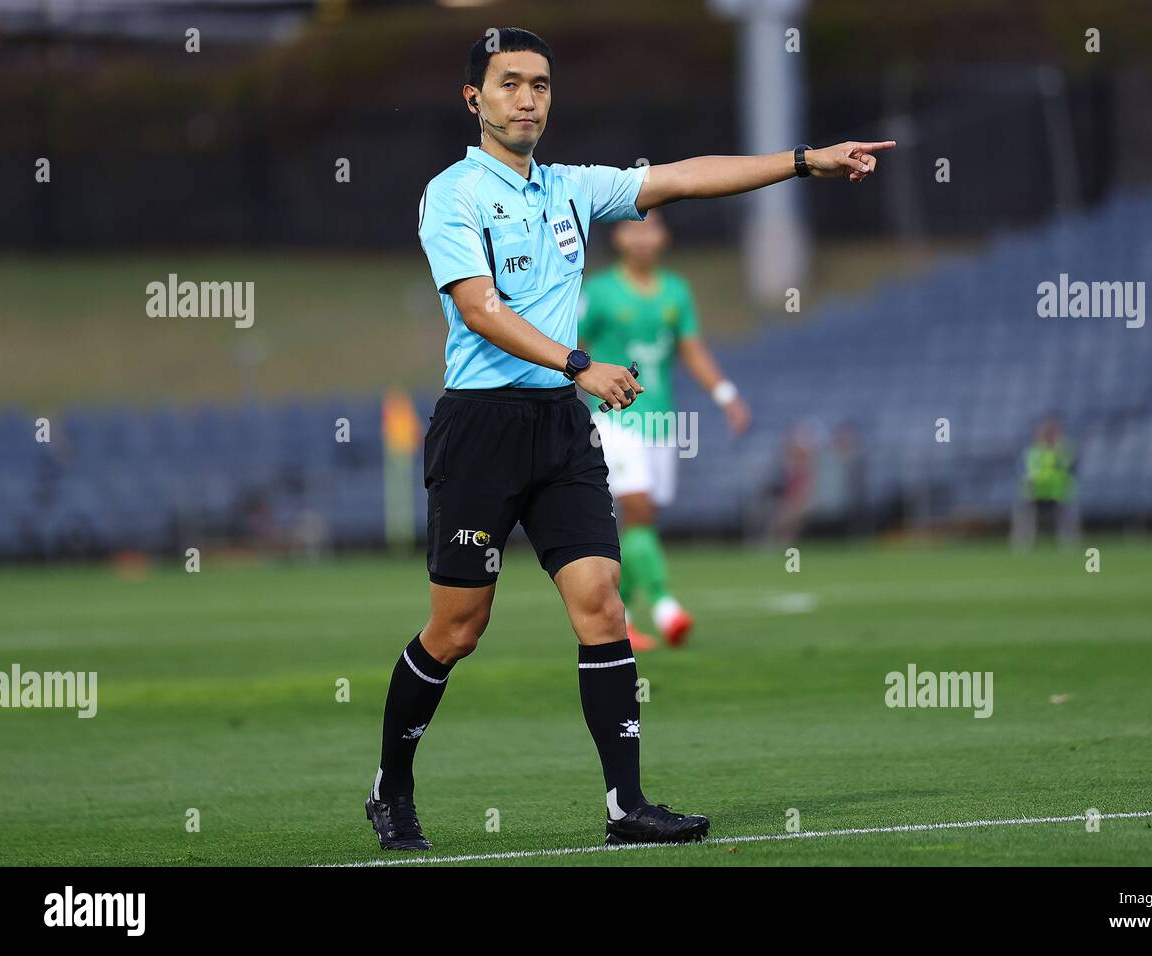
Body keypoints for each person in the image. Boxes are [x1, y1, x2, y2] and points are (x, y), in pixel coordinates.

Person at [368, 26, 895, 852]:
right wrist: (580, 361)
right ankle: (390, 786)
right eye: (509, 84)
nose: (527, 97)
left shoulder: (573, 187)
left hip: (560, 428)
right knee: (459, 628)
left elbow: (683, 179)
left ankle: (627, 806)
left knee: (603, 602)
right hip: (480, 426)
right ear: (474, 99)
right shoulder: (453, 194)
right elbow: (479, 310)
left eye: (540, 83)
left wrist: (802, 161)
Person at [578, 210, 751, 651]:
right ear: (618, 236)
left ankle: (623, 619)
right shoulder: (598, 292)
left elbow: (691, 350)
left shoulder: (676, 291)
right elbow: (570, 346)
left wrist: (726, 395)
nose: (642, 237)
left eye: (649, 228)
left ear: (663, 236)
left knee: (643, 519)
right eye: (633, 228)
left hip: (660, 420)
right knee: (636, 508)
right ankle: (665, 606)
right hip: (614, 417)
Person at [1011, 417, 1080, 550]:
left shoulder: (1065, 450)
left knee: (1070, 505)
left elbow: (1070, 470)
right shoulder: (1033, 451)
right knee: (1022, 505)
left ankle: (1069, 544)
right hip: (1036, 492)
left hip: (1058, 492)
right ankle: (1022, 544)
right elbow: (1025, 473)